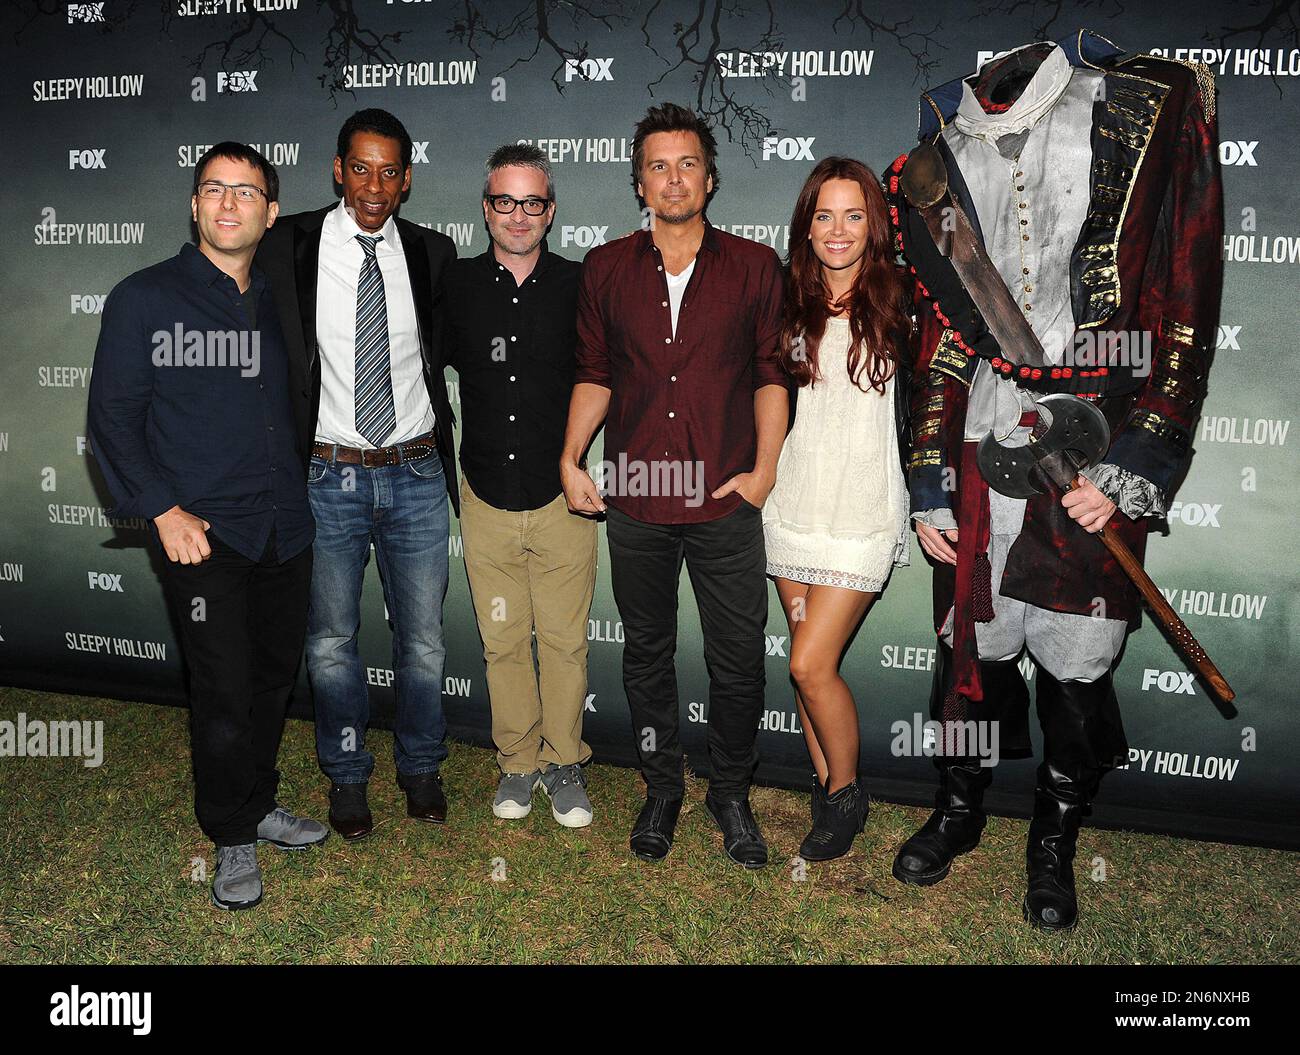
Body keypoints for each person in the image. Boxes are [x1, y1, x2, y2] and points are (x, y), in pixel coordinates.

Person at [885, 32, 1223, 929]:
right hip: (980, 441)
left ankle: (1055, 839)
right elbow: (941, 338)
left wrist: (1132, 465)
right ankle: (958, 810)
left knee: (1076, 660)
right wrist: (927, 477)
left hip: (1098, 439)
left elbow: (1182, 306)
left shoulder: (1138, 110)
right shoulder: (934, 159)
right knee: (972, 645)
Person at [88, 142, 325, 910]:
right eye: (214, 189)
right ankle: (230, 833)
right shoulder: (144, 298)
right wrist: (160, 508)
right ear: (194, 205)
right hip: (203, 534)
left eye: (246, 192)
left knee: (269, 678)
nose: (229, 204)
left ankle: (258, 801)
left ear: (271, 212)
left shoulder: (281, 300)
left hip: (285, 525)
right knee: (222, 687)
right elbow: (112, 421)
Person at [562, 102, 788, 868]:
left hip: (726, 500)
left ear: (711, 177)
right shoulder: (604, 268)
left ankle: (730, 791)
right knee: (647, 655)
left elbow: (770, 375)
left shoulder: (757, 267)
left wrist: (762, 474)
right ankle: (662, 786)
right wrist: (571, 456)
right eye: (657, 165)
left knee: (737, 660)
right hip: (635, 500)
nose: (673, 177)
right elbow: (594, 372)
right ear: (638, 183)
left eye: (686, 163)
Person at [255, 109, 459, 839]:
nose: (375, 185)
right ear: (338, 169)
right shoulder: (290, 244)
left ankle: (421, 767)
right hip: (328, 475)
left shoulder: (435, 254)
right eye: (361, 168)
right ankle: (346, 774)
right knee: (332, 642)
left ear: (407, 178)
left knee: (424, 639)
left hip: (415, 471)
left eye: (390, 171)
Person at [763, 157, 911, 862]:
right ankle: (826, 787)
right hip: (794, 503)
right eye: (824, 214)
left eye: (854, 214)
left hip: (862, 508)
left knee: (809, 662)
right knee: (802, 664)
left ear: (875, 225)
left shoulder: (905, 301)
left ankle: (848, 794)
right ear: (807, 224)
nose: (838, 229)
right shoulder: (790, 301)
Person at [444, 144, 597, 827]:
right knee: (503, 640)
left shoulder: (580, 284)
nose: (517, 214)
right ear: (486, 209)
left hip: (560, 497)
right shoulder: (456, 285)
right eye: (504, 201)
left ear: (551, 211)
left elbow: (605, 376)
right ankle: (516, 762)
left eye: (531, 202)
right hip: (483, 494)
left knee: (564, 641)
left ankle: (564, 762)